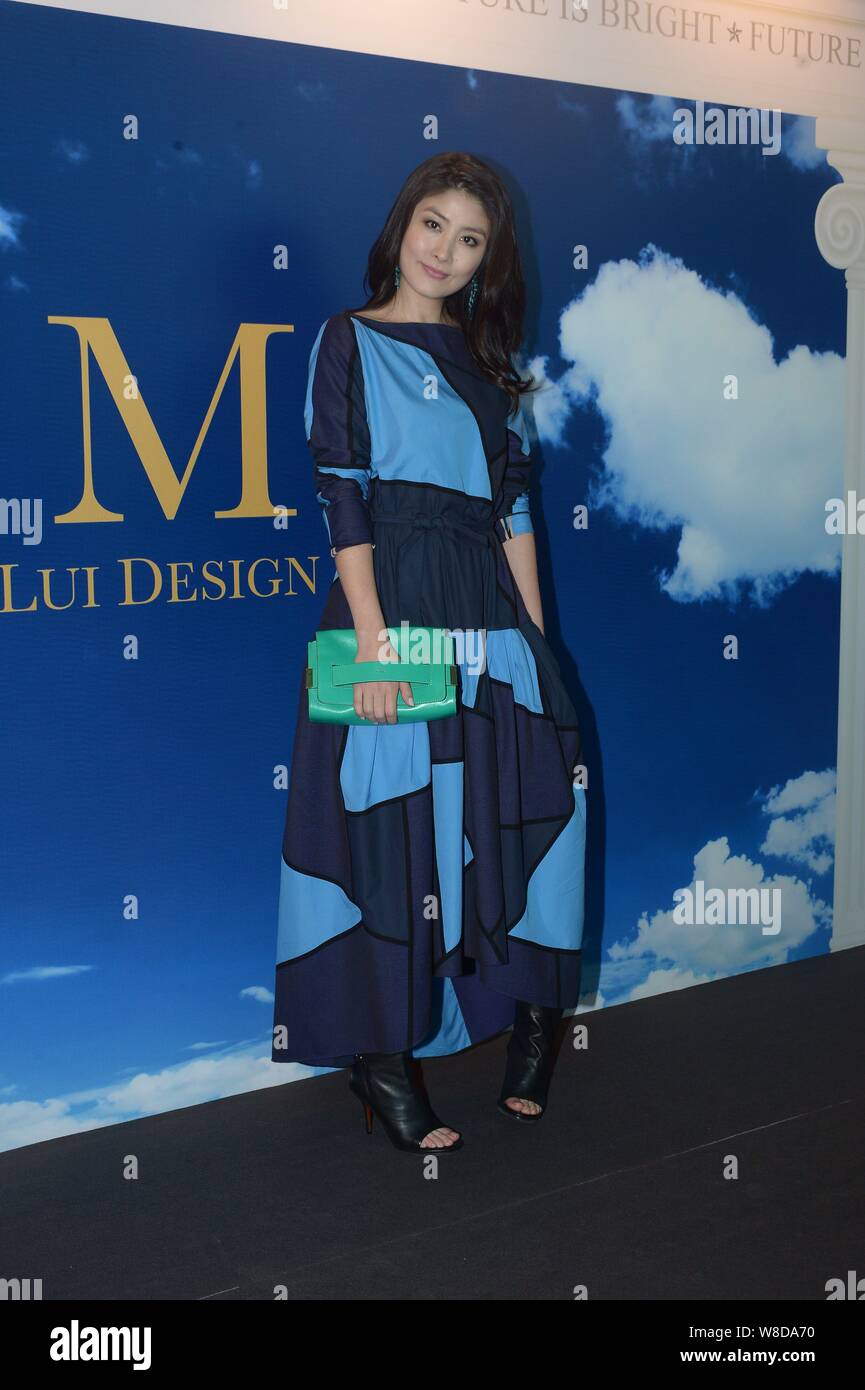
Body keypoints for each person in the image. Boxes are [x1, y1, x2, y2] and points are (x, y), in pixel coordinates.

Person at [271, 151, 587, 1154]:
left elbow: (514, 513)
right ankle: (380, 1055)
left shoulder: (494, 373)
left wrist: (535, 644)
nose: (445, 250)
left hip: (489, 616)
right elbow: (344, 493)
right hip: (387, 613)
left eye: (470, 238)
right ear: (402, 222)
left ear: (489, 259)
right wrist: (369, 646)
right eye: (433, 224)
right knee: (387, 831)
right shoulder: (345, 340)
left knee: (526, 805)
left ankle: (535, 1016)